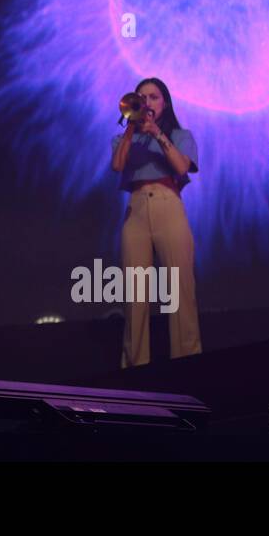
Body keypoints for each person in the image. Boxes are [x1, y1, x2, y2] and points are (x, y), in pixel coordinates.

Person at [109, 78, 201, 367]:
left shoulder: (179, 134)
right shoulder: (125, 138)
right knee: (135, 296)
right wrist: (131, 129)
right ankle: (134, 368)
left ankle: (187, 363)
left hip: (167, 203)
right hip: (135, 210)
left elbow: (182, 166)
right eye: (141, 97)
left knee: (179, 290)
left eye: (154, 97)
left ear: (165, 103)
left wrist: (157, 133)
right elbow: (117, 165)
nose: (147, 102)